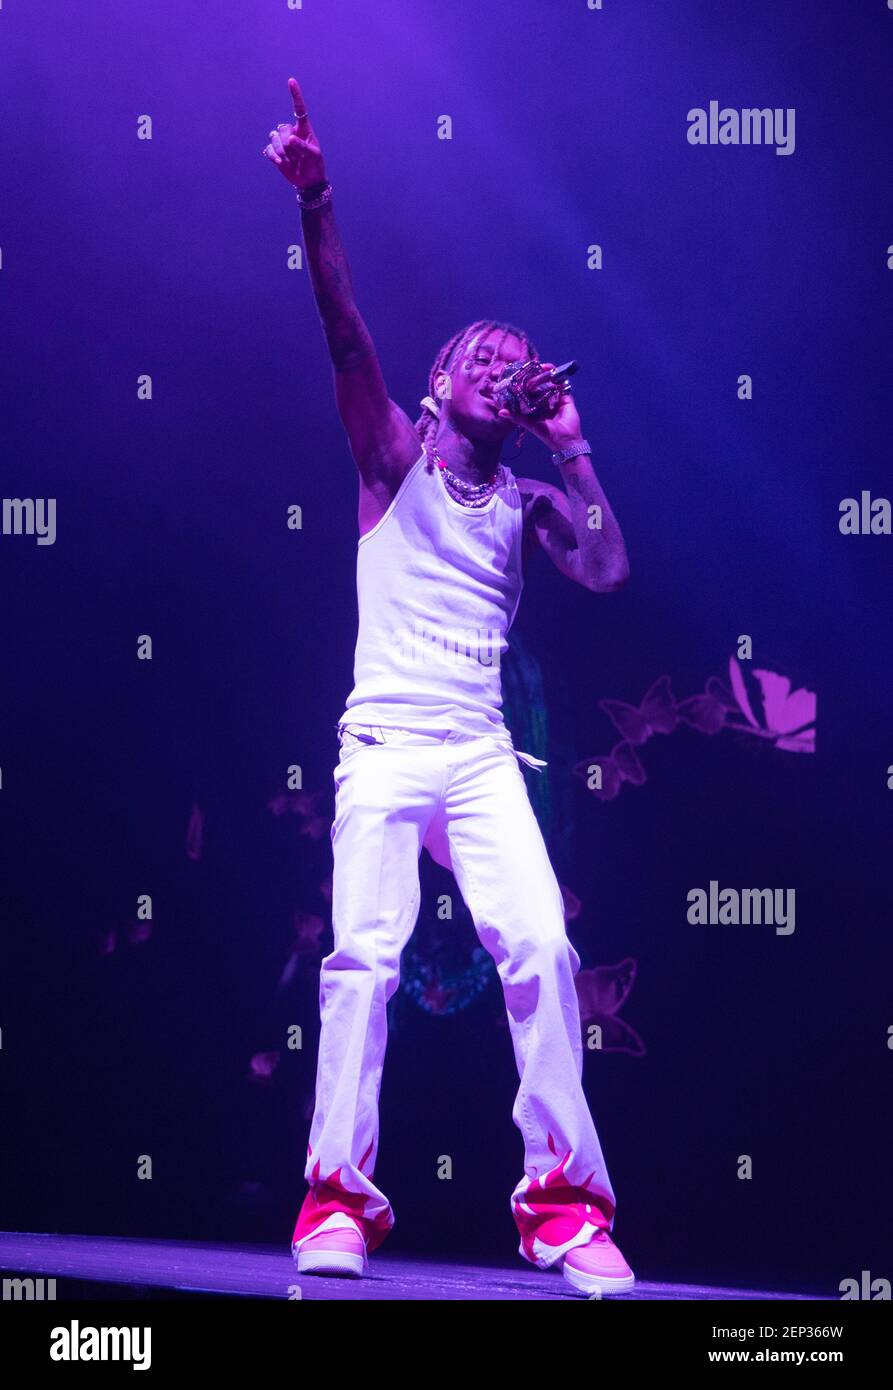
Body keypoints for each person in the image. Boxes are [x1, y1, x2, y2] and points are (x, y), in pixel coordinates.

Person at [263, 78, 633, 1297]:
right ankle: (336, 1202)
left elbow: (606, 567)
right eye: (479, 354)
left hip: (477, 752)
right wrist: (317, 198)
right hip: (381, 740)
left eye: (514, 364)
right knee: (362, 957)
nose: (500, 364)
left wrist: (568, 441)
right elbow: (343, 327)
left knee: (538, 942)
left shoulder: (527, 500)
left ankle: (564, 1213)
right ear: (436, 387)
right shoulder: (388, 459)